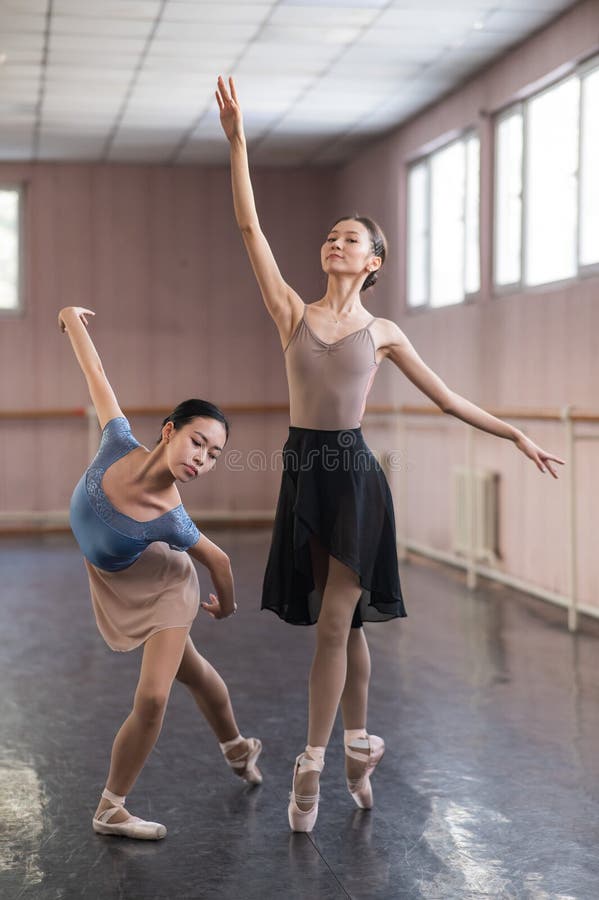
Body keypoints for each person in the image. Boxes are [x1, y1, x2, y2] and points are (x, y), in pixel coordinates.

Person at [215, 76, 565, 833]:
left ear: (372, 261)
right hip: (302, 471)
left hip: (354, 477)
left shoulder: (385, 333)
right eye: (330, 236)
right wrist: (238, 144)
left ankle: (310, 765)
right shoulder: (291, 313)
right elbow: (251, 233)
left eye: (350, 238)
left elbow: (446, 399)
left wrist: (515, 434)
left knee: (338, 624)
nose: (334, 243)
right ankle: (355, 744)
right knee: (345, 626)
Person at [59, 305, 262, 841]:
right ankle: (238, 747)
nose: (202, 459)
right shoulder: (116, 441)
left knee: (153, 696)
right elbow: (96, 374)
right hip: (120, 580)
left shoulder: (172, 518)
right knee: (193, 672)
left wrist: (227, 606)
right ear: (169, 431)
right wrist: (69, 318)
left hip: (167, 586)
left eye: (215, 455)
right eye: (197, 442)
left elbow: (218, 560)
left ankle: (111, 807)